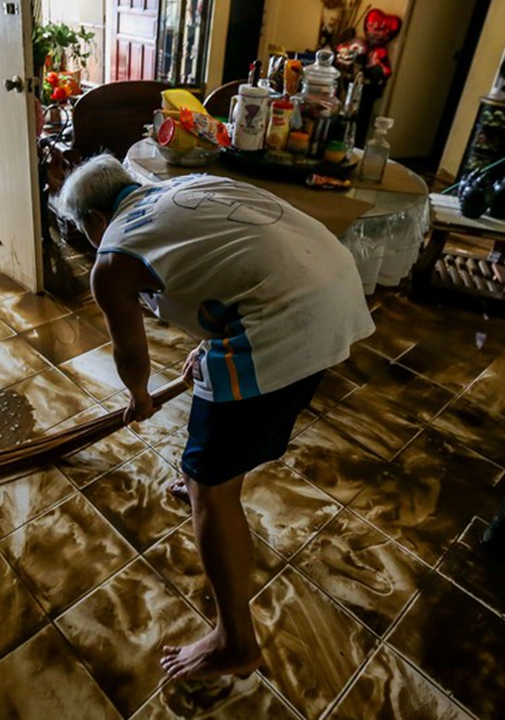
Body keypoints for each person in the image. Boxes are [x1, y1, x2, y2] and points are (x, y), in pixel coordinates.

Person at [57, 155, 374, 680]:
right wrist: (213, 344)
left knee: (209, 486)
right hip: (335, 290)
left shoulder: (111, 256)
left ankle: (235, 643)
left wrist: (138, 395)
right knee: (223, 419)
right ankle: (217, 476)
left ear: (93, 220)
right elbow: (234, 263)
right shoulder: (186, 187)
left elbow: (131, 355)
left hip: (284, 320)